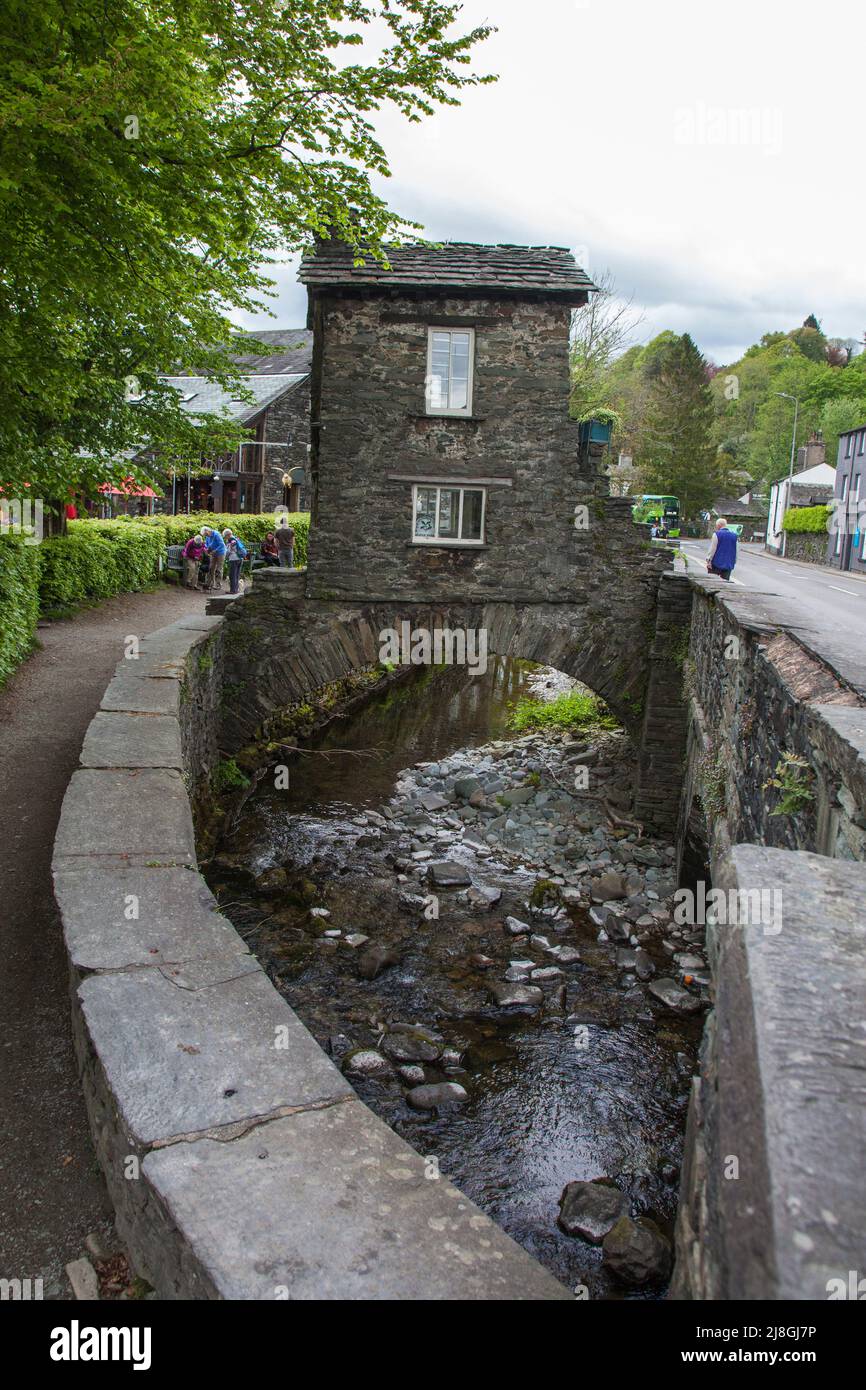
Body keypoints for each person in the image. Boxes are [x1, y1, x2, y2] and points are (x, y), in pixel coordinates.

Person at [222, 527, 248, 595]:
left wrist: (226, 556)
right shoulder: (237, 539)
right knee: (237, 575)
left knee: (232, 575)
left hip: (233, 559)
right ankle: (236, 589)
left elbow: (228, 551)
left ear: (228, 535)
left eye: (225, 536)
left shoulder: (231, 540)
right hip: (240, 559)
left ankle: (233, 590)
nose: (225, 538)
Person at [202, 525, 227, 591]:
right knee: (211, 568)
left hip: (220, 553)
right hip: (213, 553)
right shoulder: (208, 537)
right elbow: (206, 544)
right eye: (205, 535)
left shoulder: (216, 534)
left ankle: (218, 585)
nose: (206, 536)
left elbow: (221, 544)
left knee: (219, 569)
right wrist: (207, 549)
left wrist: (215, 550)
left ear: (208, 531)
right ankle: (209, 583)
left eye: (206, 534)